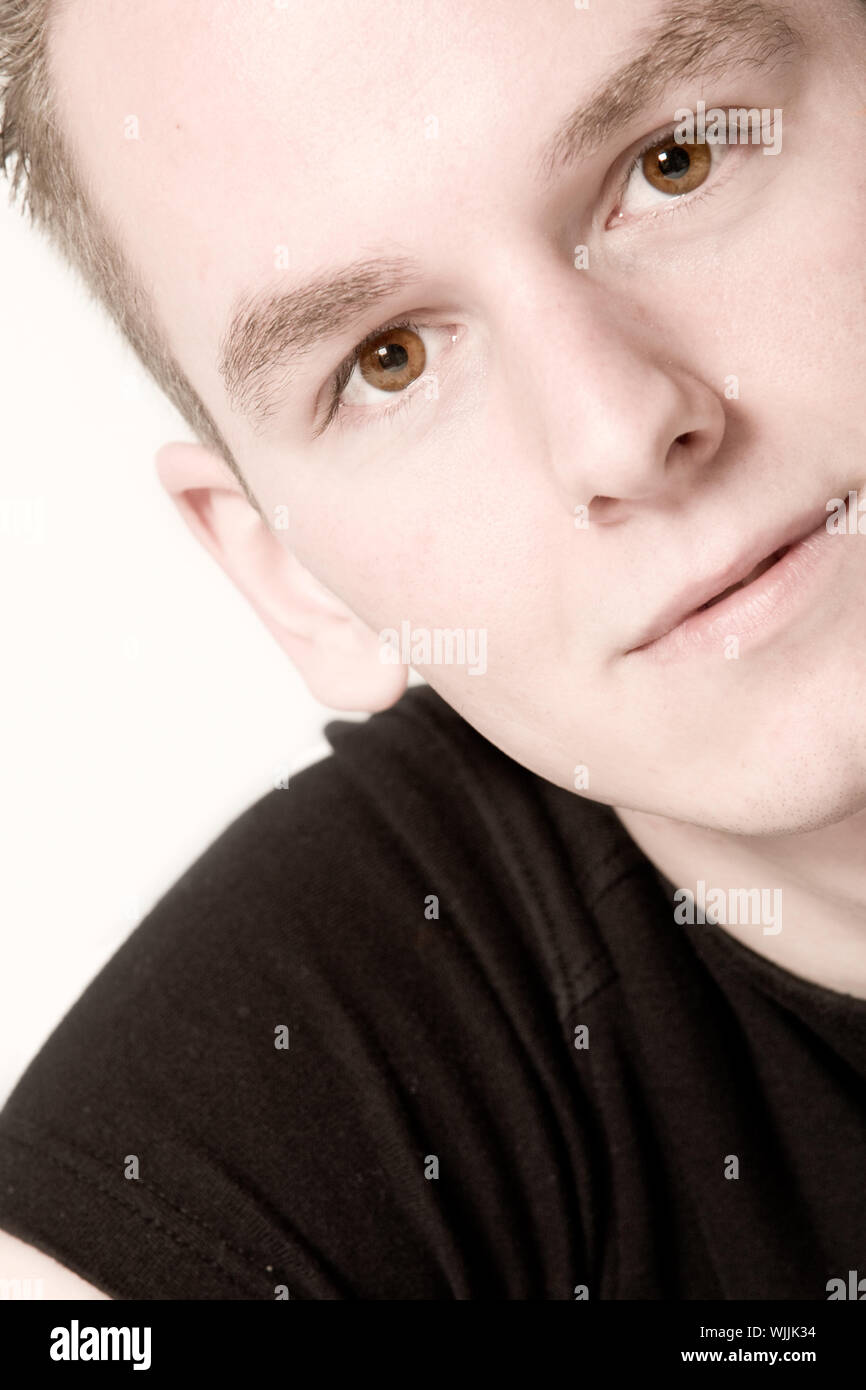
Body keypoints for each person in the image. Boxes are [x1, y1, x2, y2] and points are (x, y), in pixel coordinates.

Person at [1, 0, 865, 1299]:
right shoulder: (270, 1111)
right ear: (288, 572)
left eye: (673, 160)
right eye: (386, 362)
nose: (615, 431)